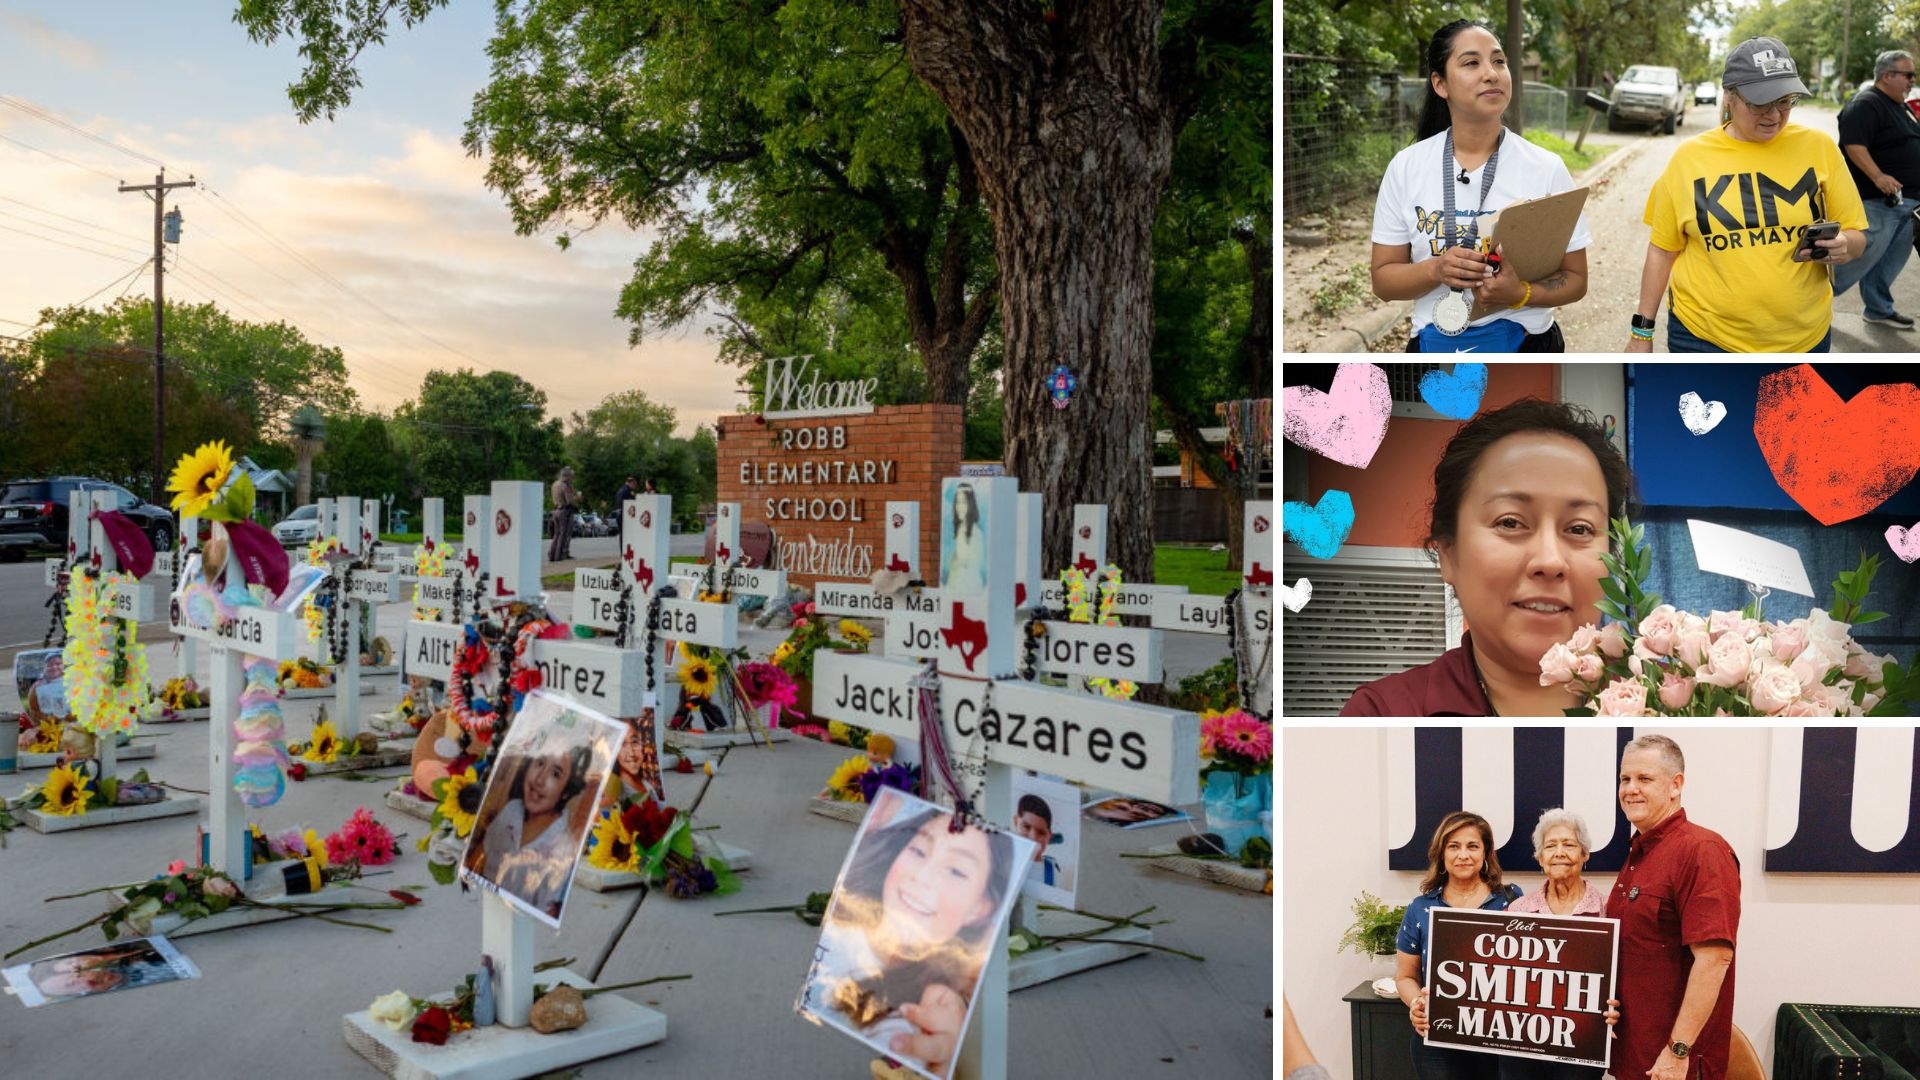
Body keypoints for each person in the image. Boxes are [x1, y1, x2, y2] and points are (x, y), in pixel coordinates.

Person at [1342, 399, 1635, 716]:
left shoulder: (1671, 701)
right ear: (1448, 554)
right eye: (1510, 522)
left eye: (1579, 529)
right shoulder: (1384, 715)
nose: (1550, 561)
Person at [1628, 37, 1867, 352]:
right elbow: (1662, 251)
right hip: (1704, 338)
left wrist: (1843, 246)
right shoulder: (1688, 159)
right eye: (1759, 103)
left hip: (1804, 339)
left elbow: (1858, 238)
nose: (1774, 115)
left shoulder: (1819, 147)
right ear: (1729, 97)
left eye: (1785, 100)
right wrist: (1641, 335)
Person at [1370, 20, 1590, 352]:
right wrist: (1437, 269)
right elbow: (1383, 281)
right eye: (1472, 63)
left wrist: (1521, 294)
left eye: (1499, 61)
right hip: (1434, 348)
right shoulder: (1406, 167)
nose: (1491, 73)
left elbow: (1576, 280)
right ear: (1440, 84)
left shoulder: (1545, 168)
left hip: (1527, 346)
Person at [802, 791, 1021, 1077]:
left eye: (955, 871)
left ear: (980, 908)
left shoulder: (927, 1010)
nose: (922, 876)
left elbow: (913, 1040)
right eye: (918, 851)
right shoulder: (841, 932)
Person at [1606, 734, 1739, 1080]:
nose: (1630, 789)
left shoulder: (1702, 850)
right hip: (1633, 1056)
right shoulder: (1639, 852)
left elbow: (1714, 959)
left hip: (1673, 1065)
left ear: (1675, 785)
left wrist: (1678, 1050)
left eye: (1644, 779)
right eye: (1625, 779)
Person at [1393, 810, 1524, 1080]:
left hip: (1499, 1039)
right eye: (1454, 846)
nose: (1463, 855)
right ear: (1441, 854)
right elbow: (1405, 976)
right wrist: (1417, 1003)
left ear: (1486, 854)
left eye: (1472, 846)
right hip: (1437, 1040)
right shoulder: (1421, 908)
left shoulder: (1511, 901)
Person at [1500, 808, 1607, 1079]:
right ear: (1540, 858)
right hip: (1521, 1044)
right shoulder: (1517, 911)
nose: (1560, 852)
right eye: (1550, 846)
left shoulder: (1607, 910)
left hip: (1581, 1044)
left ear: (1585, 855)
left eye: (1569, 844)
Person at [1832, 51, 1920, 327]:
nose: (1912, 80)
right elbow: (1854, 145)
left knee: (1889, 260)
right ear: (1887, 75)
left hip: (1906, 203)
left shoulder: (1900, 105)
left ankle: (1878, 308)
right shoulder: (1866, 103)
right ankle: (1809, 303)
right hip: (1878, 201)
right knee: (1855, 258)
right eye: (1908, 75)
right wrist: (1879, 176)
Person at [475, 737, 595, 918]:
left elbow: (546, 914)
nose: (539, 779)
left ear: (567, 791)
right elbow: (480, 862)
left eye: (555, 774)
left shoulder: (562, 848)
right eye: (539, 763)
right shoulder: (512, 809)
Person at [942, 483, 987, 593]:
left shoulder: (976, 533)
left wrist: (956, 564)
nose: (959, 507)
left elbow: (972, 562)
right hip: (956, 582)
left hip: (967, 585)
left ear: (970, 504)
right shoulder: (961, 529)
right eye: (957, 502)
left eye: (963, 502)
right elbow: (957, 557)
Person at [1012, 793, 1064, 888]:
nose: (1033, 838)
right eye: (1026, 827)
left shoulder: (1054, 873)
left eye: (1041, 832)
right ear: (1016, 822)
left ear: (1049, 836)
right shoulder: (1000, 860)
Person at [548, 467, 578, 562]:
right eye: (571, 476)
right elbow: (569, 501)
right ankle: (559, 556)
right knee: (563, 534)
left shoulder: (555, 484)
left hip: (555, 510)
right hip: (564, 511)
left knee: (556, 534)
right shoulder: (566, 486)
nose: (572, 478)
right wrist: (577, 498)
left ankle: (552, 555)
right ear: (568, 476)